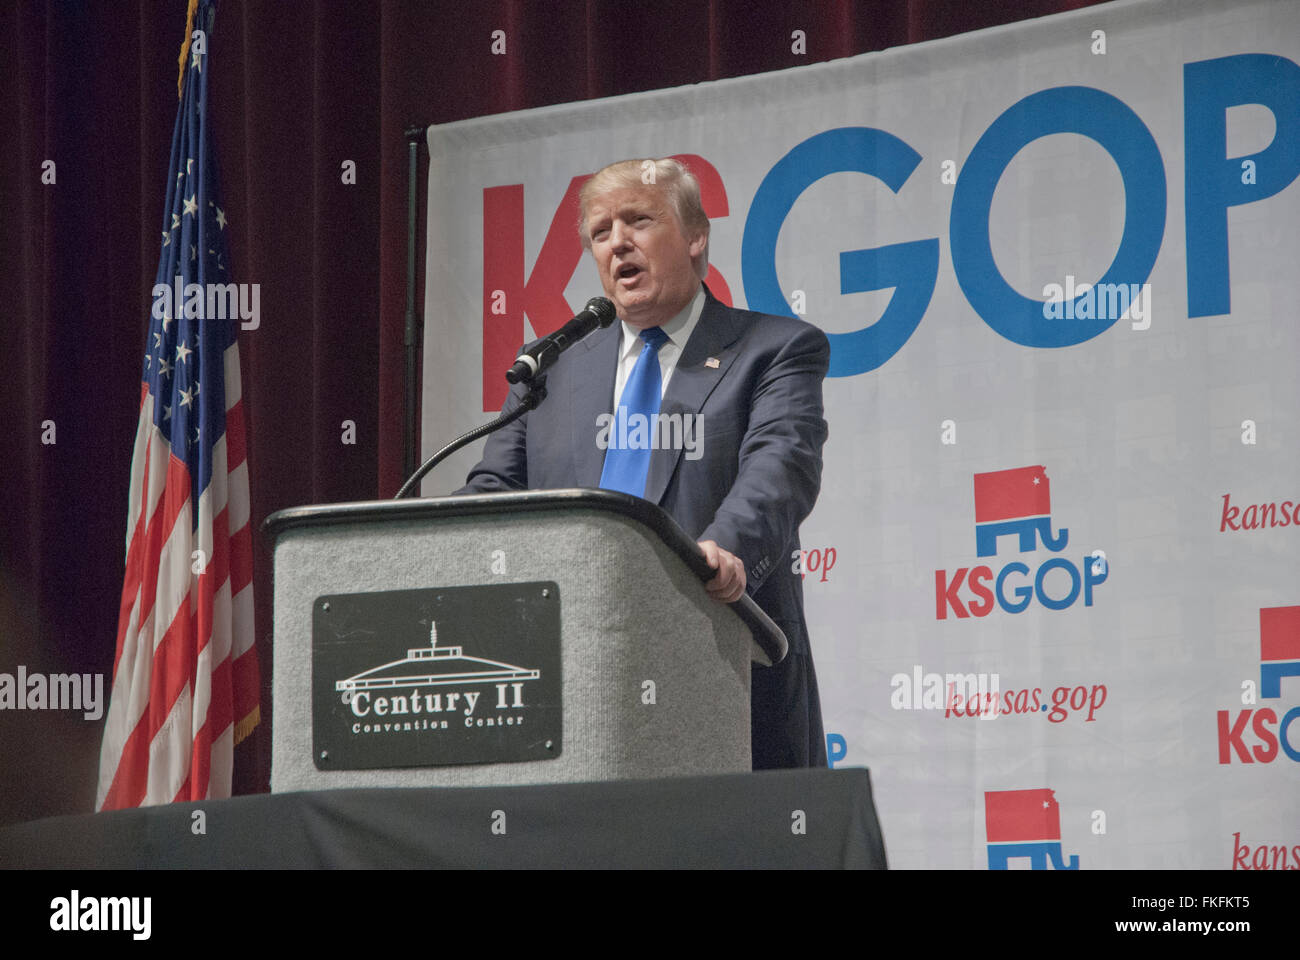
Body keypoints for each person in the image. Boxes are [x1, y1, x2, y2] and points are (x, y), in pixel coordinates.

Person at [458, 158, 830, 768]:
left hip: (720, 666)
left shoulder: (773, 349)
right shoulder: (548, 364)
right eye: (601, 232)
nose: (618, 243)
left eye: (639, 220)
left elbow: (780, 467)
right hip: (567, 688)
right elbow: (494, 489)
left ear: (694, 235)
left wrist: (724, 549)